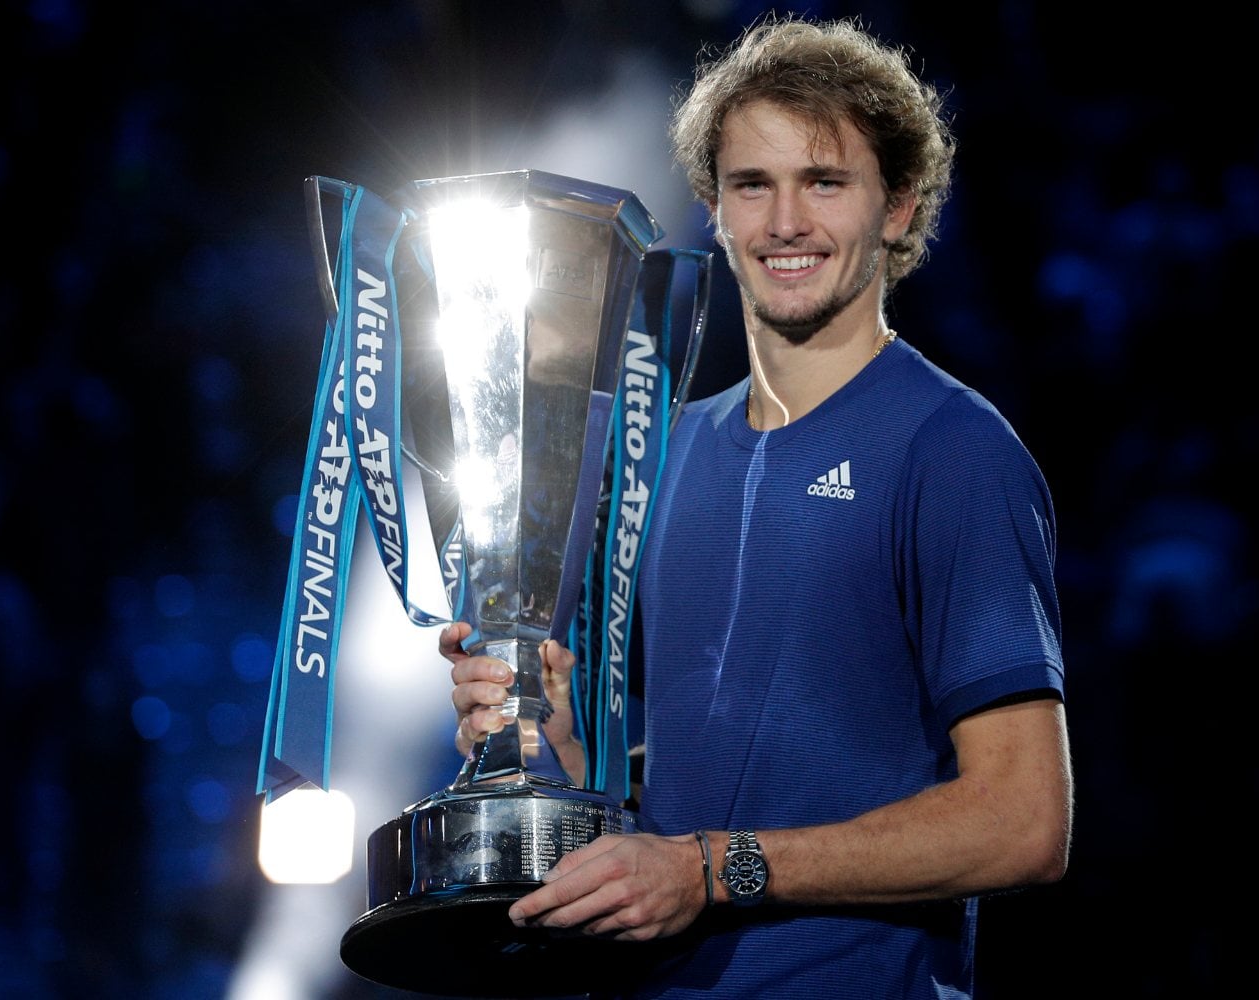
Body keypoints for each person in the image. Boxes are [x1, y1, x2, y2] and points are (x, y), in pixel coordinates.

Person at [442, 13, 1071, 998]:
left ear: (897, 207)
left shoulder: (952, 450)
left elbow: (1024, 821)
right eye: (752, 184)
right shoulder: (659, 453)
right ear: (712, 208)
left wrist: (709, 868)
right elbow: (702, 775)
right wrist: (559, 744)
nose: (784, 221)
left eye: (825, 181)